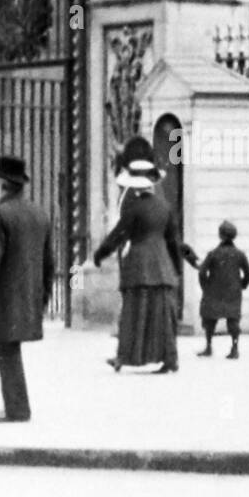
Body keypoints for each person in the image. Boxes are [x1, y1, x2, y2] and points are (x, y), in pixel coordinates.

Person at [0, 155, 53, 423]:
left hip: (0, 297)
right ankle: (15, 405)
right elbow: (50, 263)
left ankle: (17, 408)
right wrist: (43, 297)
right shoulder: (40, 214)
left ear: (1, 184)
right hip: (27, 296)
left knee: (5, 351)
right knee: (5, 350)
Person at [93, 141, 184, 374]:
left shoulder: (133, 206)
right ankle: (169, 360)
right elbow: (173, 240)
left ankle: (124, 357)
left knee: (133, 313)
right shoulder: (164, 206)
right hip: (162, 265)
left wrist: (100, 253)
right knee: (162, 317)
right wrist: (176, 268)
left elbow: (118, 234)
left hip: (138, 263)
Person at [197, 220, 249, 359]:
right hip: (233, 291)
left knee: (209, 319)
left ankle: (209, 346)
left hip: (213, 291)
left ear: (220, 235)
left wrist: (205, 287)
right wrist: (242, 284)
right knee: (233, 320)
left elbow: (202, 272)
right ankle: (234, 348)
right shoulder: (239, 254)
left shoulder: (213, 254)